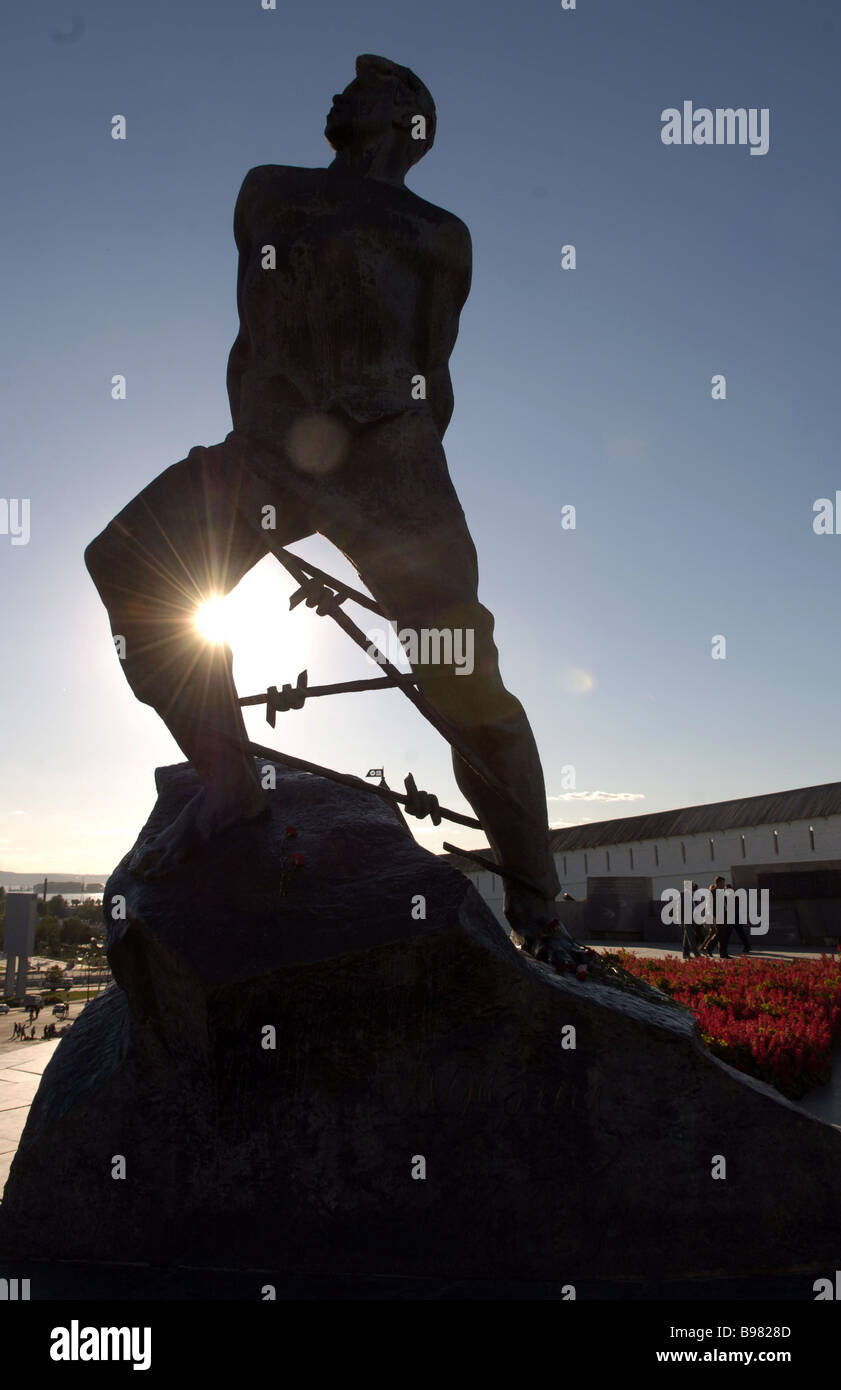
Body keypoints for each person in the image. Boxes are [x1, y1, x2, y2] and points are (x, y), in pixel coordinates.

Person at [84, 54, 580, 968]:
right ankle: (229, 782)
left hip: (389, 457)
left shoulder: (439, 232)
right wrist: (260, 440)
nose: (340, 95)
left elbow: (435, 366)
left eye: (368, 91)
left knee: (465, 682)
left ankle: (538, 909)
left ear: (406, 123)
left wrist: (402, 472)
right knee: (127, 559)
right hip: (266, 450)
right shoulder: (267, 191)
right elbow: (254, 321)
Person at [701, 875, 730, 958]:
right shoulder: (712, 892)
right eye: (722, 883)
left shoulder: (722, 891)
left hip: (724, 914)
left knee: (723, 934)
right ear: (718, 883)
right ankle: (708, 947)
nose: (724, 884)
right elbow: (710, 905)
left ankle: (723, 953)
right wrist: (714, 916)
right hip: (717, 916)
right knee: (720, 933)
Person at [728, 881, 752, 954]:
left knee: (726, 933)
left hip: (731, 917)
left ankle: (723, 948)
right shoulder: (736, 896)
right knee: (741, 932)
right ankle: (747, 946)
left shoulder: (727, 897)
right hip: (737, 917)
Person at [681, 881, 702, 959]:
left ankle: (685, 954)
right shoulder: (682, 895)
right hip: (686, 919)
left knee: (687, 937)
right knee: (691, 937)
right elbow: (679, 908)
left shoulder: (693, 895)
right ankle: (697, 954)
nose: (692, 887)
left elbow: (695, 906)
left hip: (693, 918)